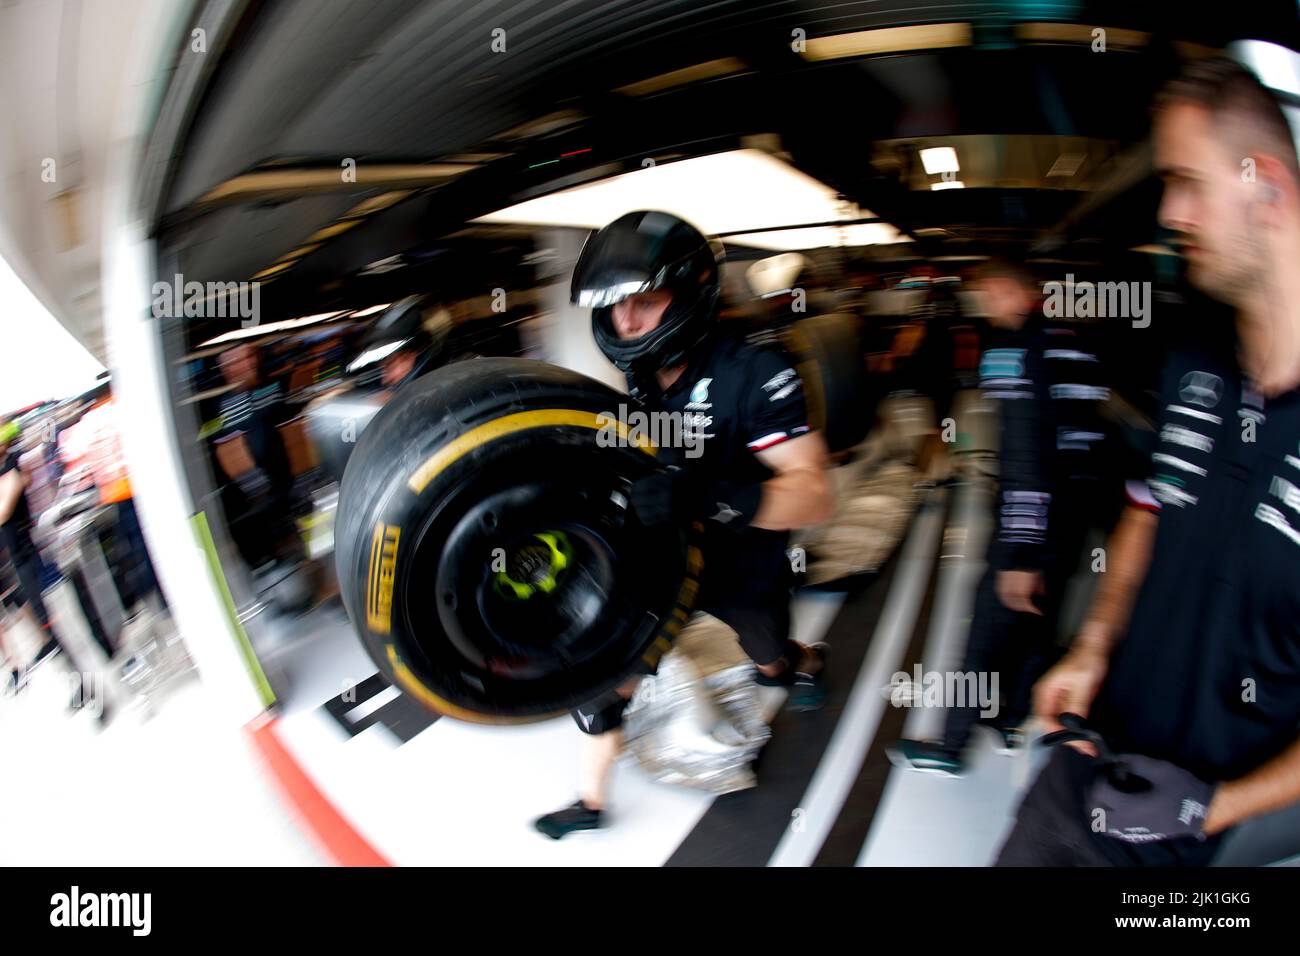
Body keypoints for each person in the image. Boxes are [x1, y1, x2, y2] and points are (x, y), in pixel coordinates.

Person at [996, 57, 1300, 866]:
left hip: (1205, 824)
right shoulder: (1194, 357)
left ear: (1264, 184)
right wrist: (1094, 641)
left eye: (1185, 181)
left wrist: (1211, 808)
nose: (1170, 211)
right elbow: (1149, 506)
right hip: (1095, 755)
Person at [533, 210, 835, 839]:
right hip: (666, 560)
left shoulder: (756, 372)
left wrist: (708, 496)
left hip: (745, 562)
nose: (626, 321)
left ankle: (797, 659)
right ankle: (590, 801)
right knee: (607, 673)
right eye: (616, 308)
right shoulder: (636, 385)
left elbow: (814, 494)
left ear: (692, 292)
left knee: (767, 656)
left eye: (644, 301)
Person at [888, 257, 1119, 774]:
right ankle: (1015, 716)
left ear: (1010, 291)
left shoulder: (1014, 350)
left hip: (1036, 514)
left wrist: (1018, 550)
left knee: (984, 628)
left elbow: (1025, 455)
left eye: (989, 295)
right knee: (1039, 620)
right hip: (1076, 511)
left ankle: (948, 746)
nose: (984, 305)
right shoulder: (1075, 338)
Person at [0, 420, 72, 681]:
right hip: (15, 565)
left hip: (30, 558)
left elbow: (4, 511)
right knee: (45, 626)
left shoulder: (14, 464)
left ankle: (88, 685)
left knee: (56, 623)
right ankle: (79, 683)